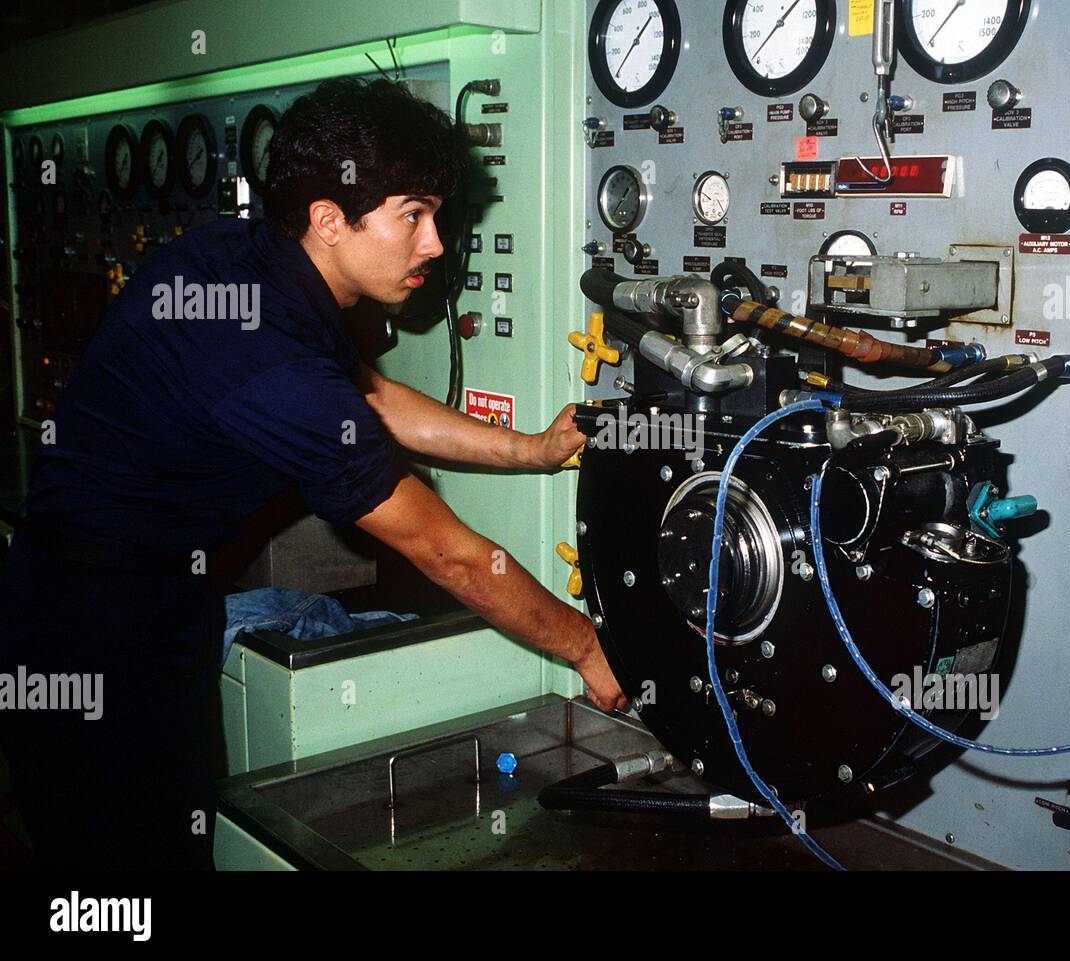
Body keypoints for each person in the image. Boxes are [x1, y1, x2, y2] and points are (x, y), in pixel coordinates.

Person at [0, 77, 626, 869]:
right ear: (331, 219)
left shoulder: (255, 260)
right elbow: (450, 554)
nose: (434, 243)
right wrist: (585, 647)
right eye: (414, 215)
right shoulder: (268, 356)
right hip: (91, 632)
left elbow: (372, 397)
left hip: (143, 599)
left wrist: (529, 448)